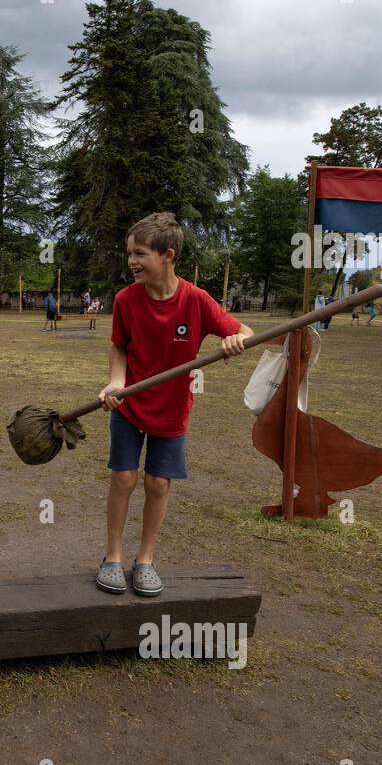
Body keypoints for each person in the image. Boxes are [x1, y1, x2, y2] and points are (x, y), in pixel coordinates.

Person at [96, 213, 253, 597]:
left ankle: (145, 559)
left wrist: (235, 341)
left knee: (158, 483)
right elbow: (119, 346)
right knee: (124, 478)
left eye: (139, 253)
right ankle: (112, 557)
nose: (131, 261)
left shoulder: (196, 300)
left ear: (168, 255)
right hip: (130, 404)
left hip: (172, 409)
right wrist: (117, 383)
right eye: (129, 253)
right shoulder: (126, 300)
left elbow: (244, 331)